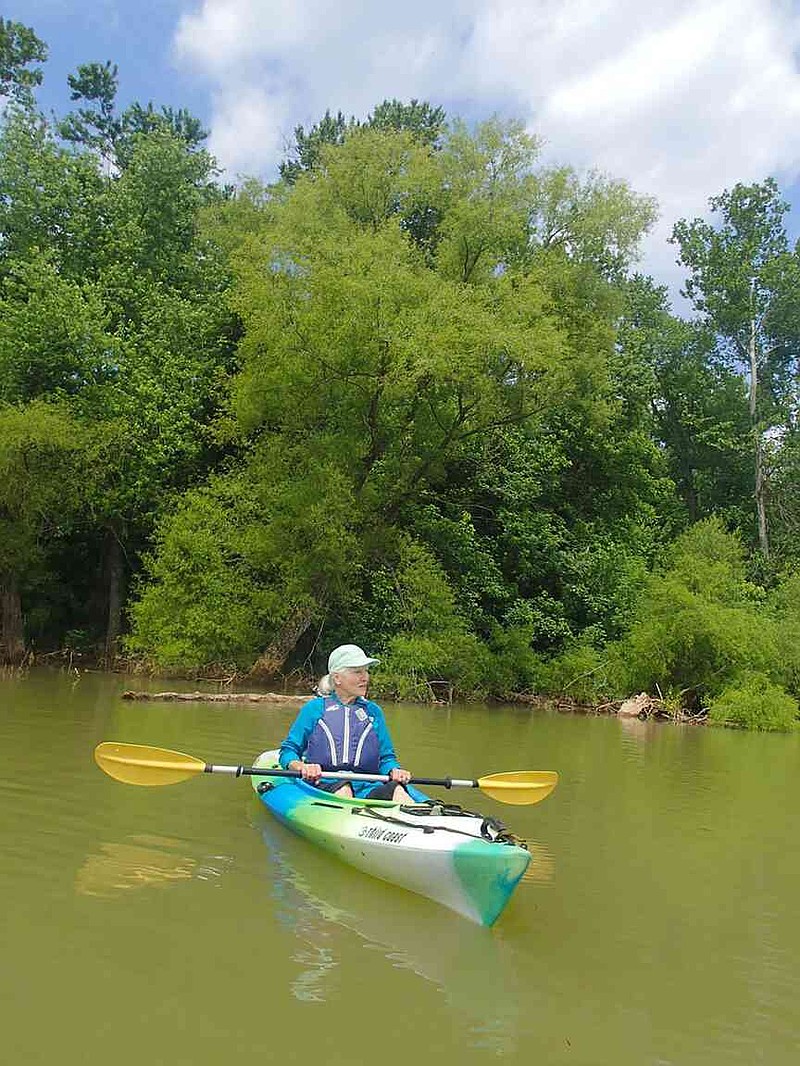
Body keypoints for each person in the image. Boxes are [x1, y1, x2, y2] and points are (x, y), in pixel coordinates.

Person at [279, 643, 413, 801]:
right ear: (337, 678)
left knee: (398, 791)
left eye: (366, 671)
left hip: (367, 785)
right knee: (344, 788)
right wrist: (301, 766)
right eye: (357, 672)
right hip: (323, 783)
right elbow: (288, 752)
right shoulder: (314, 709)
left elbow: (386, 758)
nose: (365, 677)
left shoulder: (374, 712)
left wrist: (394, 770)